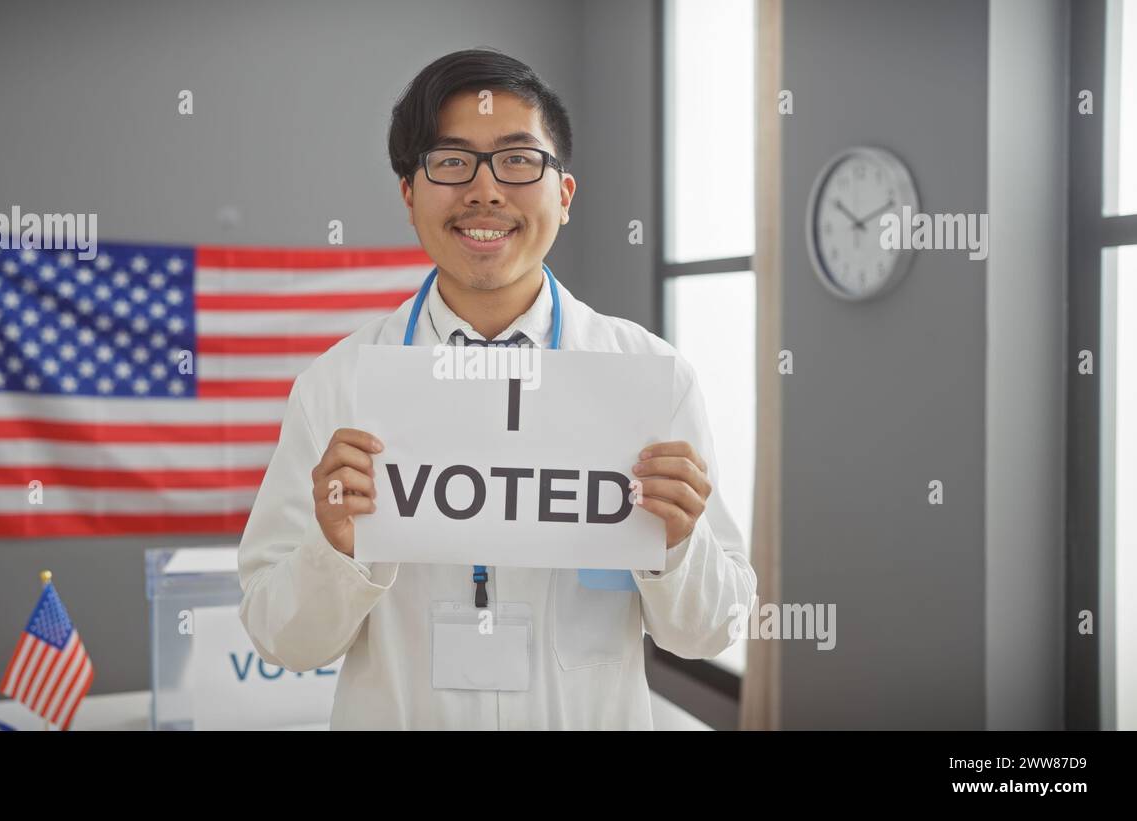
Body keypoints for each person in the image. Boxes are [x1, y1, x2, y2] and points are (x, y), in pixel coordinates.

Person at [237, 48, 757, 729]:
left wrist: (679, 543)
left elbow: (711, 630)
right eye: (451, 162)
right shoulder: (337, 386)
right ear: (409, 195)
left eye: (518, 160)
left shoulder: (651, 380)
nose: (485, 191)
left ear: (563, 195)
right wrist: (333, 551)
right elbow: (283, 639)